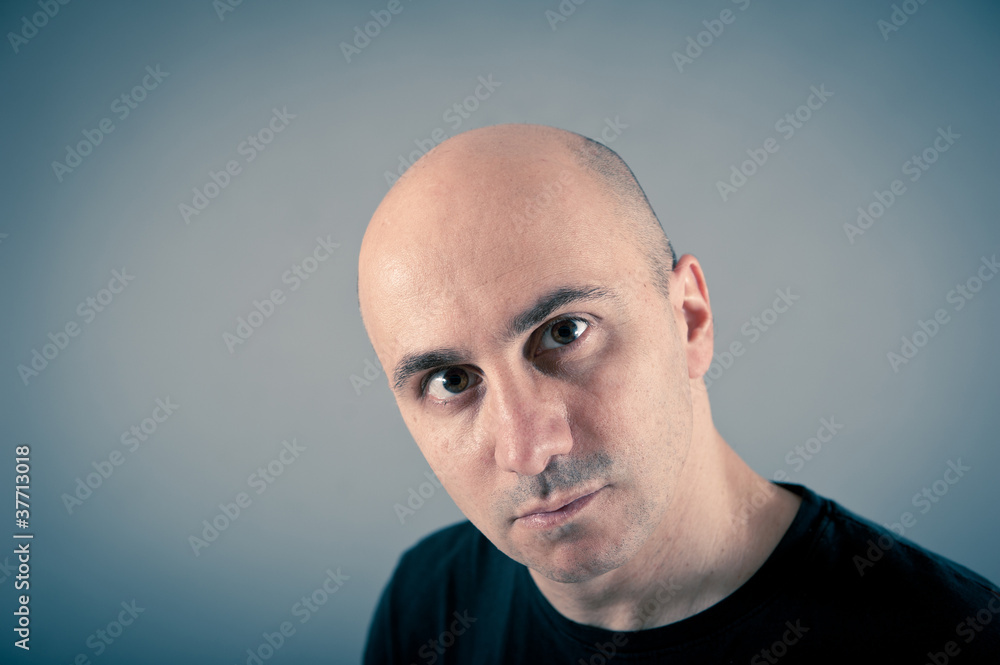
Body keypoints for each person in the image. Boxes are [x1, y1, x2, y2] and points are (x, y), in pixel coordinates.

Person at [356, 124, 1000, 663]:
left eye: (565, 332)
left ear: (689, 318)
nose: (527, 450)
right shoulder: (428, 602)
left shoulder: (952, 638)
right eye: (451, 381)